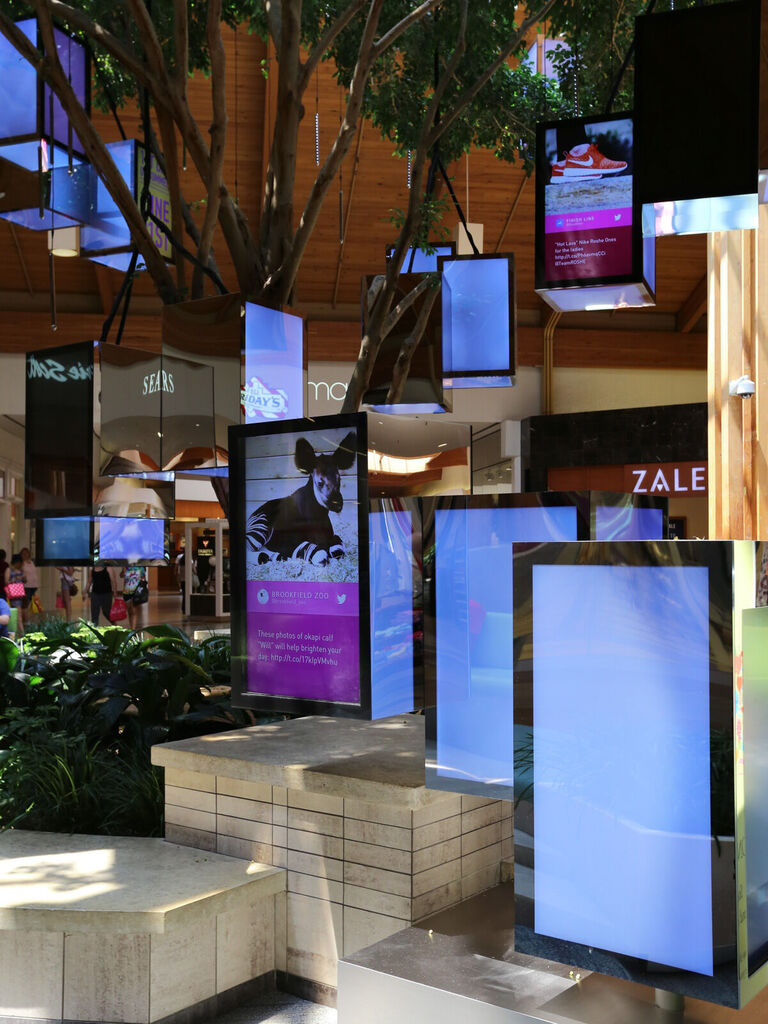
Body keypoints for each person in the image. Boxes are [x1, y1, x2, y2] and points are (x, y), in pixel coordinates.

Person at [121, 563, 147, 630]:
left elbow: (143, 578)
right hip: (126, 591)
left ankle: (133, 629)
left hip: (136, 592)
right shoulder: (126, 566)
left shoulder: (140, 567)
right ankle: (131, 627)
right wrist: (123, 572)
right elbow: (121, 575)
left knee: (134, 611)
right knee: (129, 611)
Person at [5, 554, 25, 637]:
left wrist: (23, 578)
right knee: (18, 615)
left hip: (19, 594)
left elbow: (25, 580)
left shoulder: (20, 570)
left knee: (18, 615)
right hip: (13, 594)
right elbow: (6, 582)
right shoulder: (9, 570)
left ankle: (19, 634)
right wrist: (14, 580)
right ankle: (22, 634)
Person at [19, 547, 38, 627]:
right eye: (23, 554)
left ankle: (26, 619)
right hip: (25, 585)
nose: (25, 555)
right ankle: (25, 620)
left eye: (27, 553)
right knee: (25, 603)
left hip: (33, 585)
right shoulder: (21, 563)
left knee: (29, 602)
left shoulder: (31, 562)